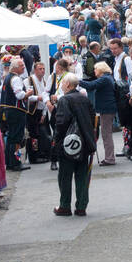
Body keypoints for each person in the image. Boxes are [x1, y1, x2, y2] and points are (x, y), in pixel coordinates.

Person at [52, 74, 97, 217]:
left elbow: (61, 122)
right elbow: (92, 119)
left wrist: (56, 141)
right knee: (82, 175)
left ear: (68, 85)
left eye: (63, 82)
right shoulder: (84, 98)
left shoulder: (64, 100)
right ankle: (81, 206)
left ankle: (65, 206)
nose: (61, 85)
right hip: (84, 142)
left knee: (65, 176)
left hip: (68, 143)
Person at [80, 61, 119, 166]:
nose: (94, 71)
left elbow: (90, 85)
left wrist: (77, 81)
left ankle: (110, 158)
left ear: (101, 69)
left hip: (107, 109)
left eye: (95, 69)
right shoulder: (107, 78)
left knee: (106, 134)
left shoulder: (104, 79)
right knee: (106, 134)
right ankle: (109, 157)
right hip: (107, 108)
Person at [0, 58, 31, 172]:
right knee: (16, 138)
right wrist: (28, 93)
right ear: (15, 67)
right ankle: (16, 162)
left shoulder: (7, 77)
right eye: (21, 66)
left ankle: (9, 162)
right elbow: (19, 95)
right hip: (16, 111)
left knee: (12, 137)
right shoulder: (16, 78)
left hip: (8, 110)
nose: (23, 67)